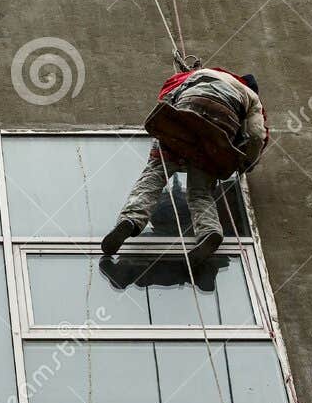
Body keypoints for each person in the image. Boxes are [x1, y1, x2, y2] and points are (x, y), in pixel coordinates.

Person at [100, 67, 267, 265]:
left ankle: (130, 220)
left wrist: (168, 126)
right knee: (200, 191)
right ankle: (209, 232)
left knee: (154, 174)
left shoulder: (197, 74)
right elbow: (257, 134)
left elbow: (167, 95)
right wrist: (247, 162)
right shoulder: (250, 95)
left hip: (185, 114)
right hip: (219, 128)